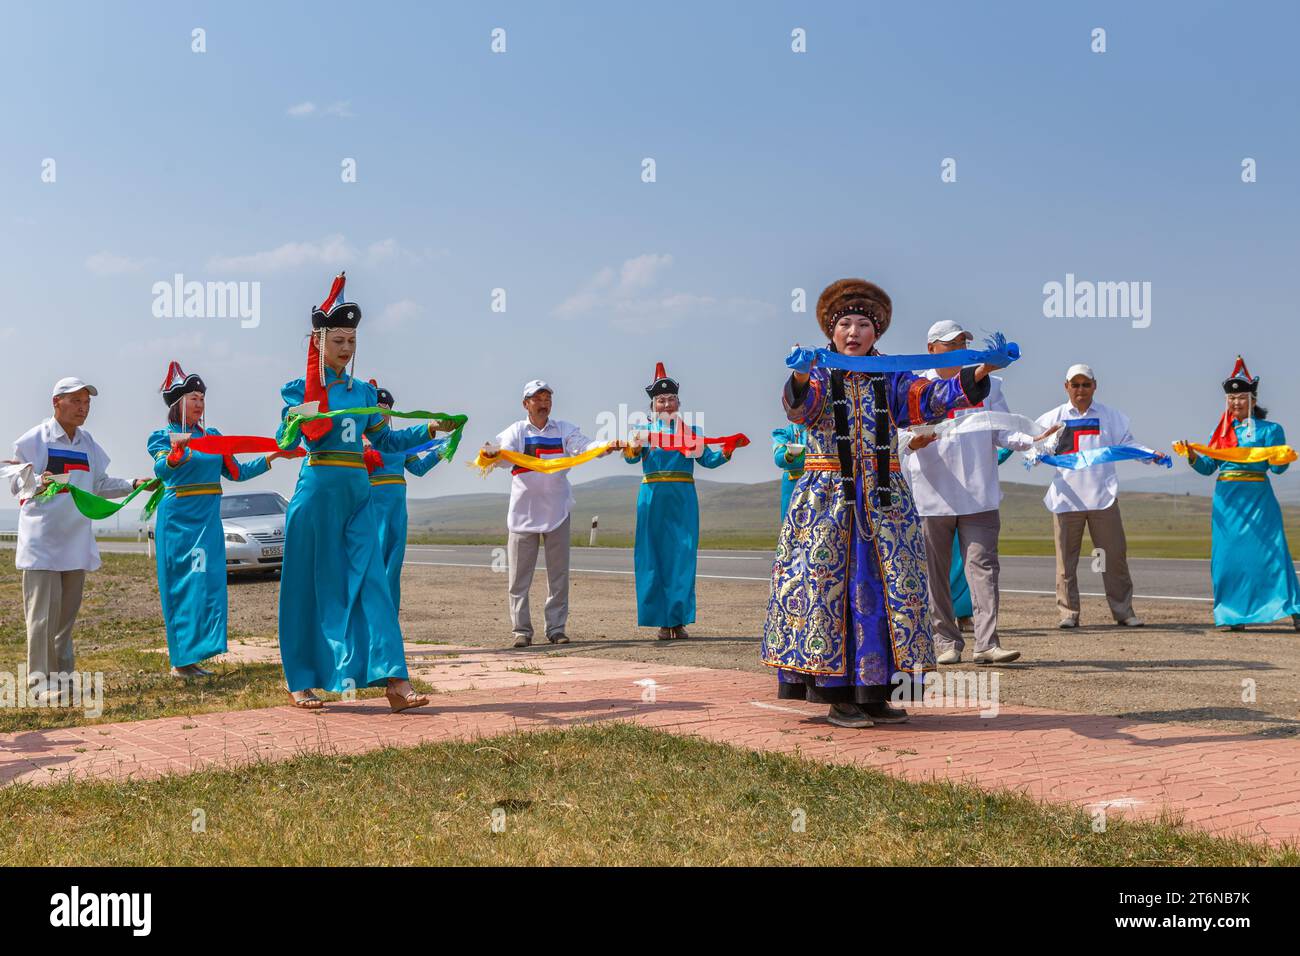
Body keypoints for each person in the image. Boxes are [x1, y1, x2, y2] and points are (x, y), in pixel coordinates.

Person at [762, 279, 1010, 729]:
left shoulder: (893, 375)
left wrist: (980, 372)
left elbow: (930, 400)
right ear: (830, 332)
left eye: (862, 324)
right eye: (844, 324)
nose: (853, 331)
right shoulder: (818, 373)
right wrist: (798, 375)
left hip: (885, 501)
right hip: (828, 500)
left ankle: (877, 694)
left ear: (876, 333)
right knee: (830, 591)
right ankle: (840, 696)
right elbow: (799, 410)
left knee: (891, 591)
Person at [276, 273, 458, 711]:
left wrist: (430, 429)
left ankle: (395, 682)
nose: (345, 348)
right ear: (319, 342)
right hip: (316, 495)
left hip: (360, 498)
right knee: (308, 585)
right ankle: (301, 679)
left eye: (351, 341)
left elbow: (389, 441)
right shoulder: (300, 389)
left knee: (373, 584)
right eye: (337, 339)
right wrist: (298, 418)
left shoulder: (365, 393)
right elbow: (288, 442)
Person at [899, 320, 1060, 665]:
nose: (959, 348)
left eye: (962, 343)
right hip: (932, 494)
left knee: (983, 567)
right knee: (935, 572)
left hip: (978, 492)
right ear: (931, 349)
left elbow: (1004, 430)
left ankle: (986, 643)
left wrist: (1034, 438)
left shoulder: (989, 384)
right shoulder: (914, 386)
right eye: (950, 344)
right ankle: (946, 640)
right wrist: (913, 441)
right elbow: (900, 438)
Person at [10, 378, 149, 703]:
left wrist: (133, 484)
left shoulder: (87, 443)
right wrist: (36, 481)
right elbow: (17, 484)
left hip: (75, 541)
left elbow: (99, 484)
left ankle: (64, 678)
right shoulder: (35, 439)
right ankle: (38, 685)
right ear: (56, 402)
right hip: (42, 543)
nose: (83, 408)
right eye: (76, 401)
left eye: (87, 402)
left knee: (64, 619)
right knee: (42, 617)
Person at [148, 363, 290, 677]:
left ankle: (198, 654)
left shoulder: (213, 437)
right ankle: (181, 660)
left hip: (209, 521)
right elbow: (162, 470)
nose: (199, 403)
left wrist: (272, 457)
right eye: (193, 398)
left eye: (201, 397)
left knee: (209, 584)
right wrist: (176, 454)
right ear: (177, 404)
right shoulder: (162, 437)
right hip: (179, 522)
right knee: (185, 584)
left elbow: (237, 472)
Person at [479, 380, 617, 647]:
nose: (543, 403)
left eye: (547, 398)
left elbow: (583, 446)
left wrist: (604, 446)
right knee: (519, 577)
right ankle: (521, 631)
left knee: (558, 575)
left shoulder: (564, 429)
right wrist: (492, 453)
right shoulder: (517, 431)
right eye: (537, 398)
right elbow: (504, 457)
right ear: (525, 404)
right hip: (523, 515)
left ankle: (556, 628)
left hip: (557, 512)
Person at [1183, 357, 1300, 632]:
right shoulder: (1220, 431)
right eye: (1232, 398)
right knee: (1229, 557)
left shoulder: (1271, 430)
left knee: (1273, 553)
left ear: (1253, 399)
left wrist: (1284, 458)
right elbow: (1208, 467)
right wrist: (1191, 457)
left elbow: (1277, 470)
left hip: (1259, 499)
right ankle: (1234, 614)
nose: (1236, 403)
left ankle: (1293, 608)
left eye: (1241, 397)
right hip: (1227, 502)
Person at [625, 362, 735, 640]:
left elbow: (707, 460)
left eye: (671, 399)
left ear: (679, 402)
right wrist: (633, 446)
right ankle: (661, 620)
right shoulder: (641, 430)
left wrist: (726, 452)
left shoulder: (691, 431)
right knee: (653, 556)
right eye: (660, 400)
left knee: (682, 557)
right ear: (652, 405)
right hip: (652, 497)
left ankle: (678, 619)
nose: (666, 404)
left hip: (683, 498)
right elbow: (630, 458)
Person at [1034, 364, 1146, 629]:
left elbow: (1129, 445)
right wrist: (1035, 454)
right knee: (1066, 560)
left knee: (1113, 557)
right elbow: (1035, 446)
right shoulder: (1052, 417)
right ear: (1066, 387)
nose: (1081, 390)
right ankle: (1068, 613)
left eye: (1086, 384)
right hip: (1066, 498)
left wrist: (1151, 455)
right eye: (1075, 385)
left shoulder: (1111, 417)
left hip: (1102, 497)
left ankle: (1123, 611)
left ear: (1095, 386)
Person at [364, 381, 448, 613]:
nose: (382, 412)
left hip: (396, 511)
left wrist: (444, 449)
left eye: (386, 408)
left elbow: (418, 469)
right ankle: (368, 618)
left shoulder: (398, 442)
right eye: (377, 407)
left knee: (393, 564)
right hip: (370, 508)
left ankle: (389, 616)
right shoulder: (359, 442)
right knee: (372, 564)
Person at [771, 422, 807, 518]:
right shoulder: (786, 433)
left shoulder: (822, 428)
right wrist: (788, 454)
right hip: (793, 483)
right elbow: (779, 459)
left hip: (820, 480)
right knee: (791, 520)